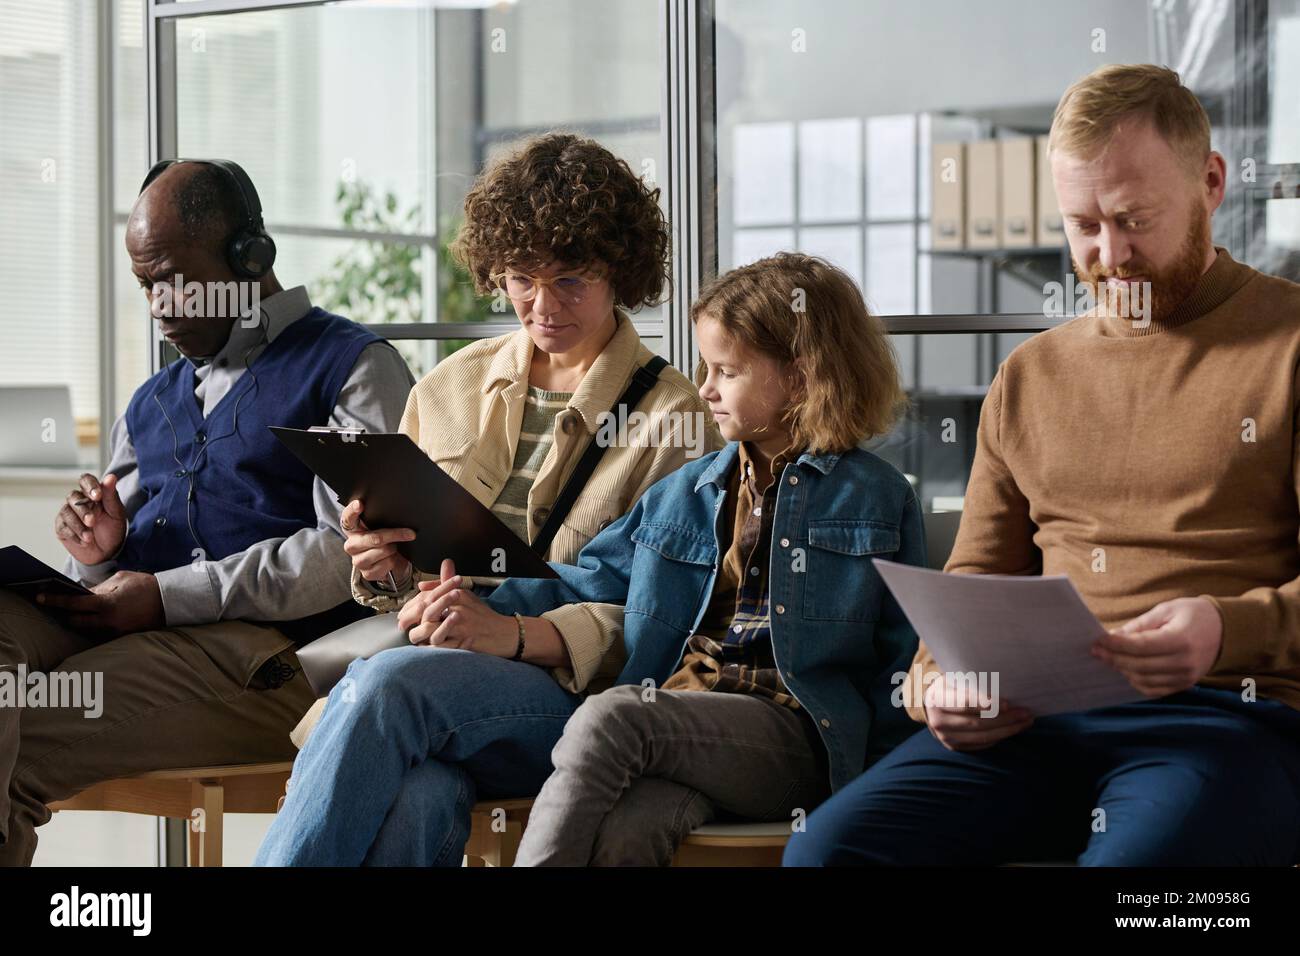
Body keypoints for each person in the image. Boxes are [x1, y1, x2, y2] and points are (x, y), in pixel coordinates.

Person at [784, 64, 1300, 868]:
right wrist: (939, 687)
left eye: (1134, 219)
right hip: (1033, 727)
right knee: (824, 856)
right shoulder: (1030, 375)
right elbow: (972, 584)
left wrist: (1226, 629)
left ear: (1210, 183)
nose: (1110, 255)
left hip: (1230, 720)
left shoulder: (1289, 342)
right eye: (1083, 225)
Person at [256, 132, 721, 866]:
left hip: (570, 703)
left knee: (390, 689)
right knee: (421, 796)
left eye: (571, 280)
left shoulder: (675, 419)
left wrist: (509, 635)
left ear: (620, 272)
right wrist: (387, 566)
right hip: (433, 680)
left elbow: (666, 619)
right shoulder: (452, 385)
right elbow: (404, 580)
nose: (543, 304)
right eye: (522, 279)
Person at [408, 253, 924, 866]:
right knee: (629, 829)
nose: (704, 388)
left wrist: (883, 804)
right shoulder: (685, 492)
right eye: (706, 368)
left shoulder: (876, 498)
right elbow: (586, 581)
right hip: (685, 720)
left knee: (612, 718)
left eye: (726, 371)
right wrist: (474, 606)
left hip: (796, 739)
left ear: (801, 376)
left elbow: (905, 657)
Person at [0, 159, 413, 865]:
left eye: (171, 279)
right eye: (144, 286)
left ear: (251, 257)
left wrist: (167, 596)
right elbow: (107, 578)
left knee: (21, 740)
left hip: (269, 664)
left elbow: (342, 556)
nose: (157, 306)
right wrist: (99, 554)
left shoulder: (350, 367)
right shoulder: (151, 400)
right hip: (144, 643)